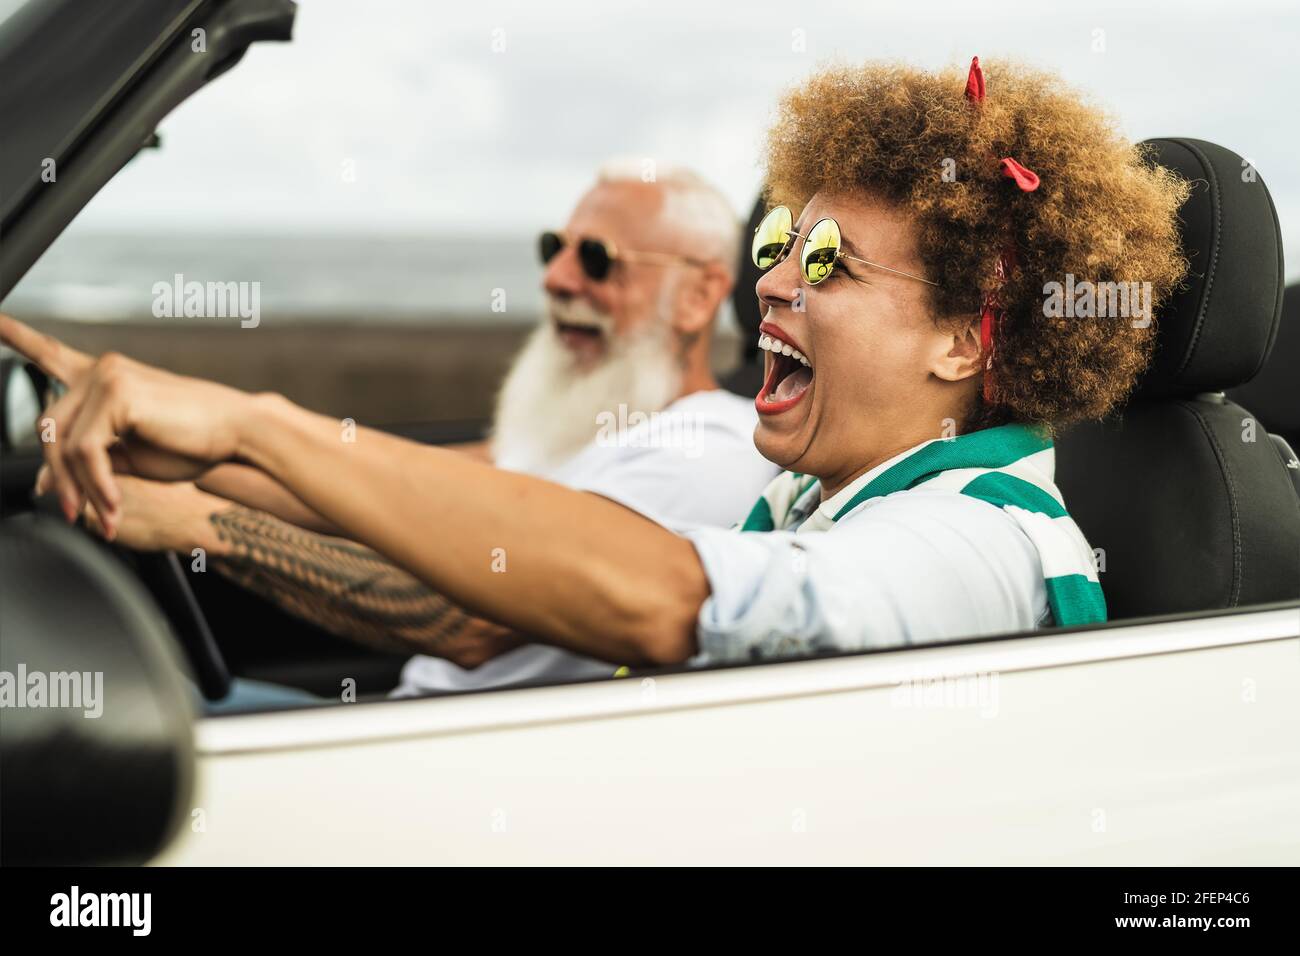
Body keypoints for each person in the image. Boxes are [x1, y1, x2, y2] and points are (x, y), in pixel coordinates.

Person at [2, 57, 1189, 675]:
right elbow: (470, 502)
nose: (768, 281)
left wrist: (248, 426)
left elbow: (668, 594)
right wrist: (193, 451)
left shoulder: (977, 542)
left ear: (963, 338)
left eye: (829, 263)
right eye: (778, 243)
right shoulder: (815, 493)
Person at [1, 161, 779, 704]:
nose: (557, 277)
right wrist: (176, 442)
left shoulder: (704, 450)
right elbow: (364, 487)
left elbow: (467, 624)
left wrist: (203, 523)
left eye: (599, 259)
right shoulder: (584, 428)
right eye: (555, 248)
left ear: (699, 295)